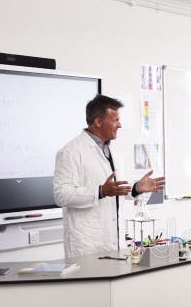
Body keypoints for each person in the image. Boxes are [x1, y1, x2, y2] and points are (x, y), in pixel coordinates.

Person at [53, 95, 165, 258]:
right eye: (115, 120)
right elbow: (60, 195)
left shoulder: (109, 150)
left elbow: (113, 190)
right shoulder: (70, 152)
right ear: (98, 122)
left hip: (113, 242)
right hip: (86, 246)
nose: (119, 125)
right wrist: (100, 191)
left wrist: (136, 188)